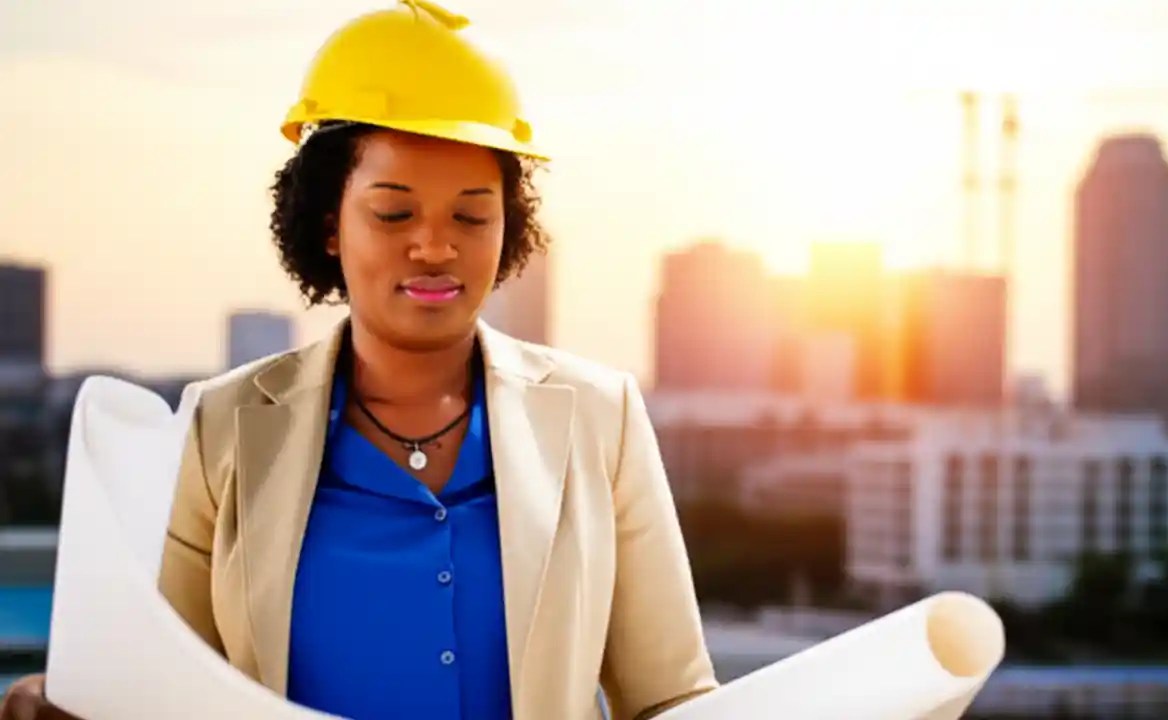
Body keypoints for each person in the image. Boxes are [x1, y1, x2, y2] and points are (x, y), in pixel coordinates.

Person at [0, 1, 718, 718]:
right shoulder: (225, 426)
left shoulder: (600, 418)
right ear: (330, 226)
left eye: (471, 216)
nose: (436, 247)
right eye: (394, 213)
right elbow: (170, 694)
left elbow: (672, 699)